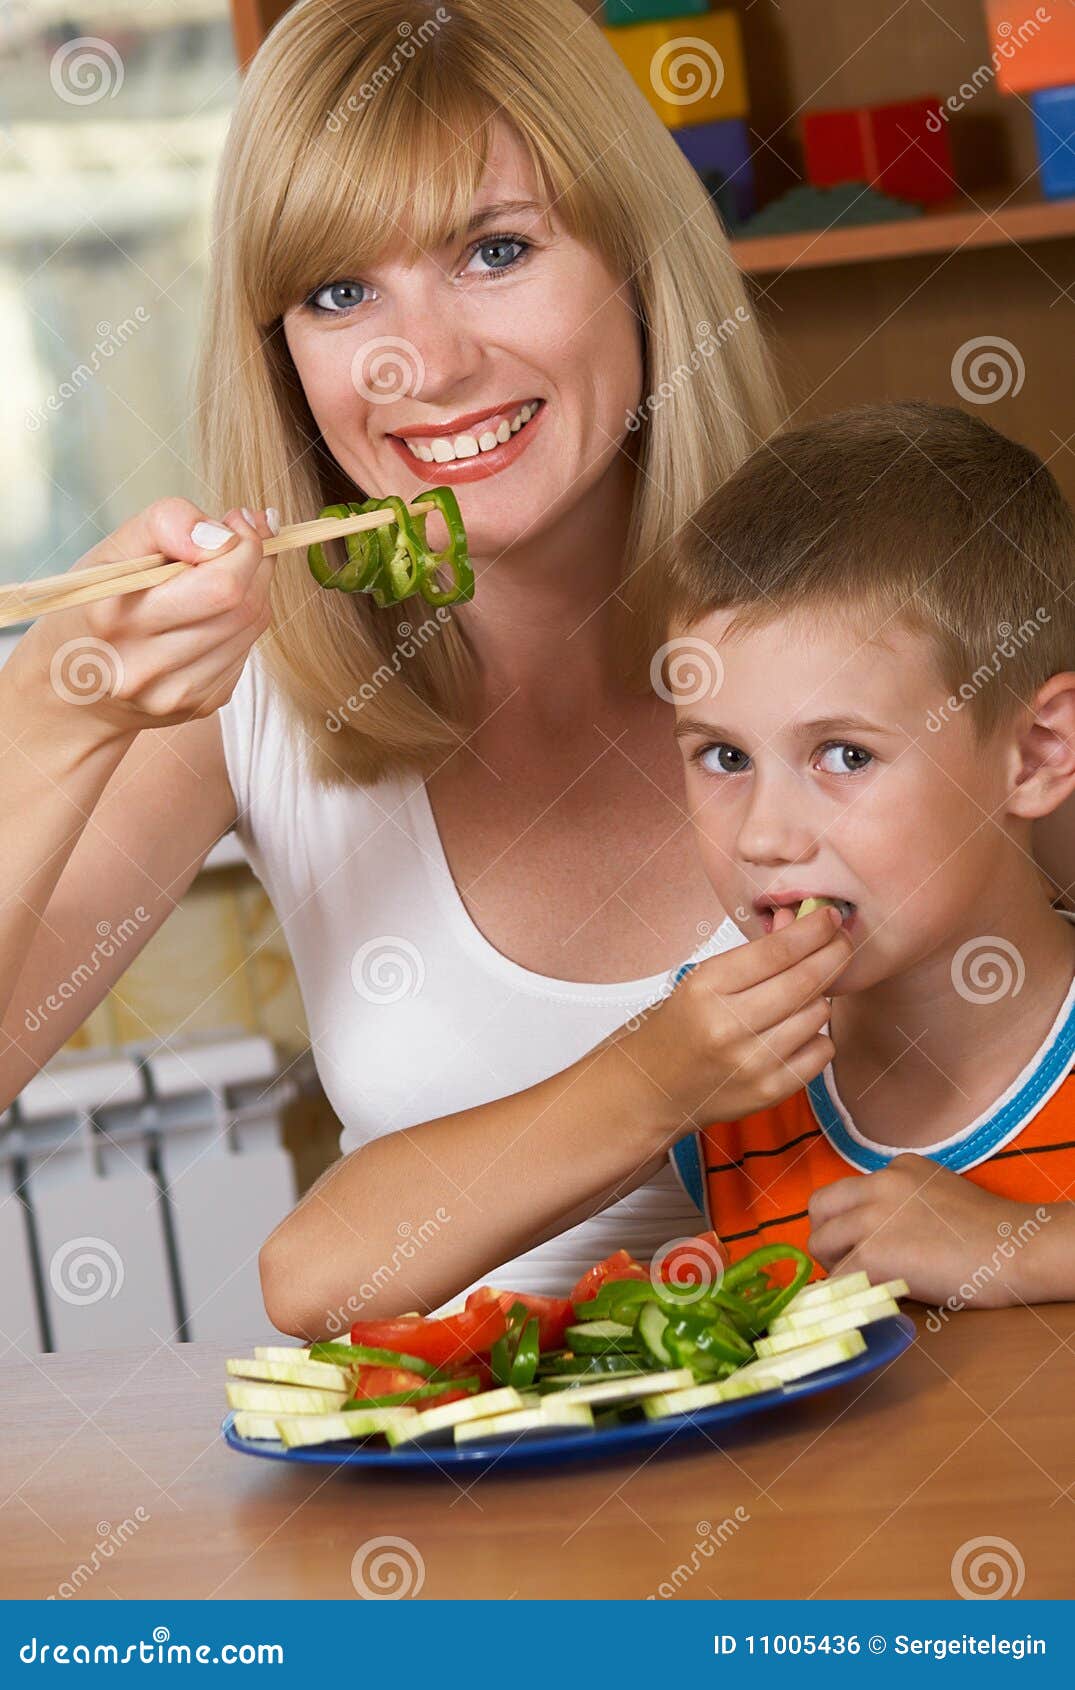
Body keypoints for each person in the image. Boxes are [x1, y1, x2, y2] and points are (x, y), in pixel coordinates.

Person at [0, 2, 1068, 1340]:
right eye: (339, 292)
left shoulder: (873, 606)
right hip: (475, 1528)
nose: (423, 363)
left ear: (634, 261)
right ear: (279, 351)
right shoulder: (253, 688)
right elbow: (309, 1277)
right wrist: (53, 709)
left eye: (495, 252)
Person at [661, 400, 1075, 1307]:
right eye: (723, 757)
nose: (764, 837)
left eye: (845, 755)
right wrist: (640, 1088)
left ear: (1039, 753)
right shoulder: (713, 1071)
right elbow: (309, 1278)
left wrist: (1021, 1249)